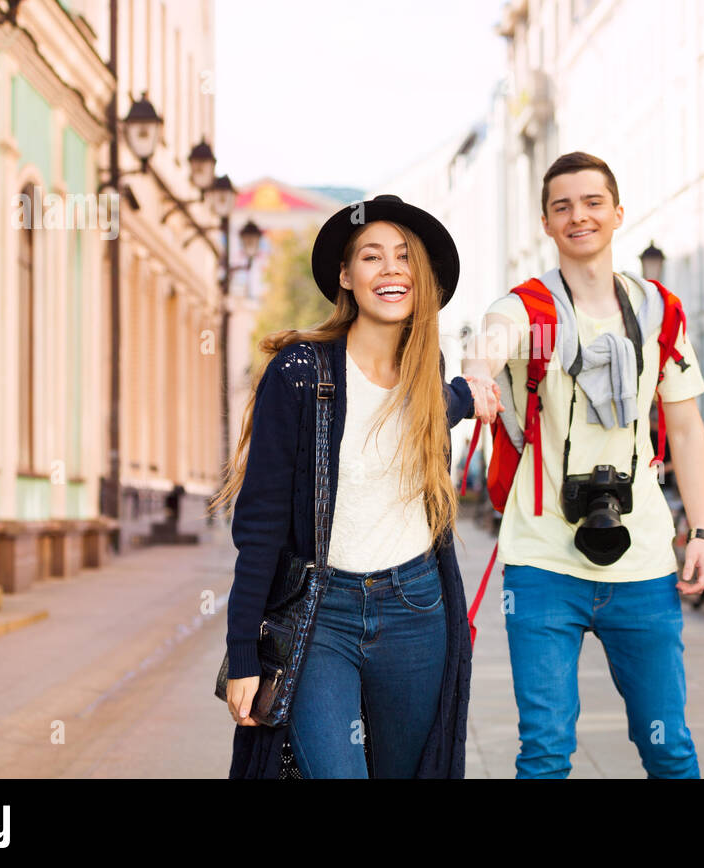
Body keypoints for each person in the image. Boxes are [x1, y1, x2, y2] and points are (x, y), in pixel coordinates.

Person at [210, 194, 497, 778]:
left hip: (417, 608)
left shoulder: (427, 372)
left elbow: (431, 407)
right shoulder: (299, 372)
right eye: (372, 257)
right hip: (322, 616)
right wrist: (244, 651)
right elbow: (261, 523)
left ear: (422, 277)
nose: (391, 270)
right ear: (346, 275)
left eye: (404, 257)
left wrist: (470, 394)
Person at [463, 151, 704, 779]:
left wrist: (703, 532)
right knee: (545, 752)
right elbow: (489, 341)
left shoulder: (658, 312)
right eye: (563, 206)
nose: (580, 216)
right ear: (546, 223)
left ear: (618, 212)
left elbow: (685, 426)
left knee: (668, 747)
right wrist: (477, 374)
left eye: (593, 202)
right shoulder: (528, 309)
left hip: (645, 561)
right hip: (543, 562)